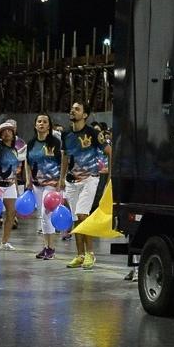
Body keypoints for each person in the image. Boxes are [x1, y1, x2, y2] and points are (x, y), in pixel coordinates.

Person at [62, 101, 111, 270]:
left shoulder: (93, 133)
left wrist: (110, 179)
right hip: (71, 181)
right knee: (76, 219)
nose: (72, 111)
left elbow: (110, 152)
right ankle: (80, 255)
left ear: (84, 115)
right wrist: (62, 179)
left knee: (83, 215)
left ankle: (91, 254)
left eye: (77, 109)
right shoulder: (66, 134)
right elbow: (65, 158)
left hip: (90, 179)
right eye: (72, 108)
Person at [26, 112, 64, 259]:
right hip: (36, 184)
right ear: (35, 125)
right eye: (39, 121)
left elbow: (62, 162)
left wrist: (61, 180)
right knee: (42, 216)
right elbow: (27, 162)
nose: (41, 124)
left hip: (52, 184)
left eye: (45, 122)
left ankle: (52, 248)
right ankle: (46, 247)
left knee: (46, 214)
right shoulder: (31, 143)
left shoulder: (56, 143)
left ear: (49, 125)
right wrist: (28, 179)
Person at [0, 120, 25, 251]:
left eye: (10, 131)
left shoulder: (15, 149)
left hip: (10, 185)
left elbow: (14, 169)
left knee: (11, 213)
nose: (7, 134)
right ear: (1, 135)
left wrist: (16, 186)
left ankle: (5, 241)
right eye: (4, 132)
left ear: (14, 134)